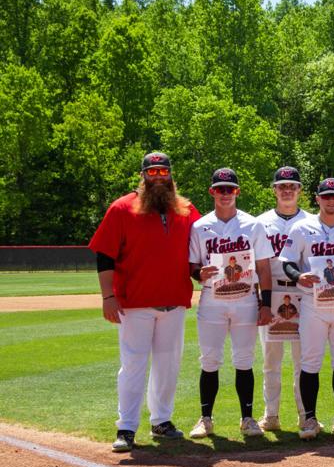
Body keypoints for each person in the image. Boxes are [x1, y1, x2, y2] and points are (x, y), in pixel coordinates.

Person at [88, 151, 200, 451]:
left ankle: (161, 421)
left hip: (174, 302)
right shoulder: (122, 208)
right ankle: (126, 427)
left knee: (168, 366)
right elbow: (104, 255)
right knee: (133, 365)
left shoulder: (186, 210)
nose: (159, 178)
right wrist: (108, 296)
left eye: (164, 172)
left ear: (171, 176)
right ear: (143, 176)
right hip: (134, 304)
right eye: (153, 173)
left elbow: (201, 250)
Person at [279, 178, 334, 439]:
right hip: (313, 303)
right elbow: (286, 261)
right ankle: (309, 420)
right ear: (317, 199)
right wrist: (298, 276)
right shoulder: (302, 227)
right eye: (326, 196)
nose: (332, 200)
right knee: (310, 362)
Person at [186, 168, 274, 439]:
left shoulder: (253, 224)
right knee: (209, 359)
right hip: (212, 299)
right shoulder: (200, 226)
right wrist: (197, 274)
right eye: (220, 189)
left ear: (237, 192)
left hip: (245, 299)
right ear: (212, 192)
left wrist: (266, 304)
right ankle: (205, 418)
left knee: (244, 359)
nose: (225, 194)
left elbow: (264, 267)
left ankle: (247, 418)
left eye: (230, 189)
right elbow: (193, 264)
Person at [255, 166, 311, 432]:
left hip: (304, 294)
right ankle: (271, 415)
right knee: (270, 360)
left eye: (292, 186)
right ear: (274, 190)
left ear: (300, 190)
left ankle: (305, 415)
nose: (287, 190)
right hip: (273, 290)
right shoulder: (261, 222)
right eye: (282, 186)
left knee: (304, 360)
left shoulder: (313, 221)